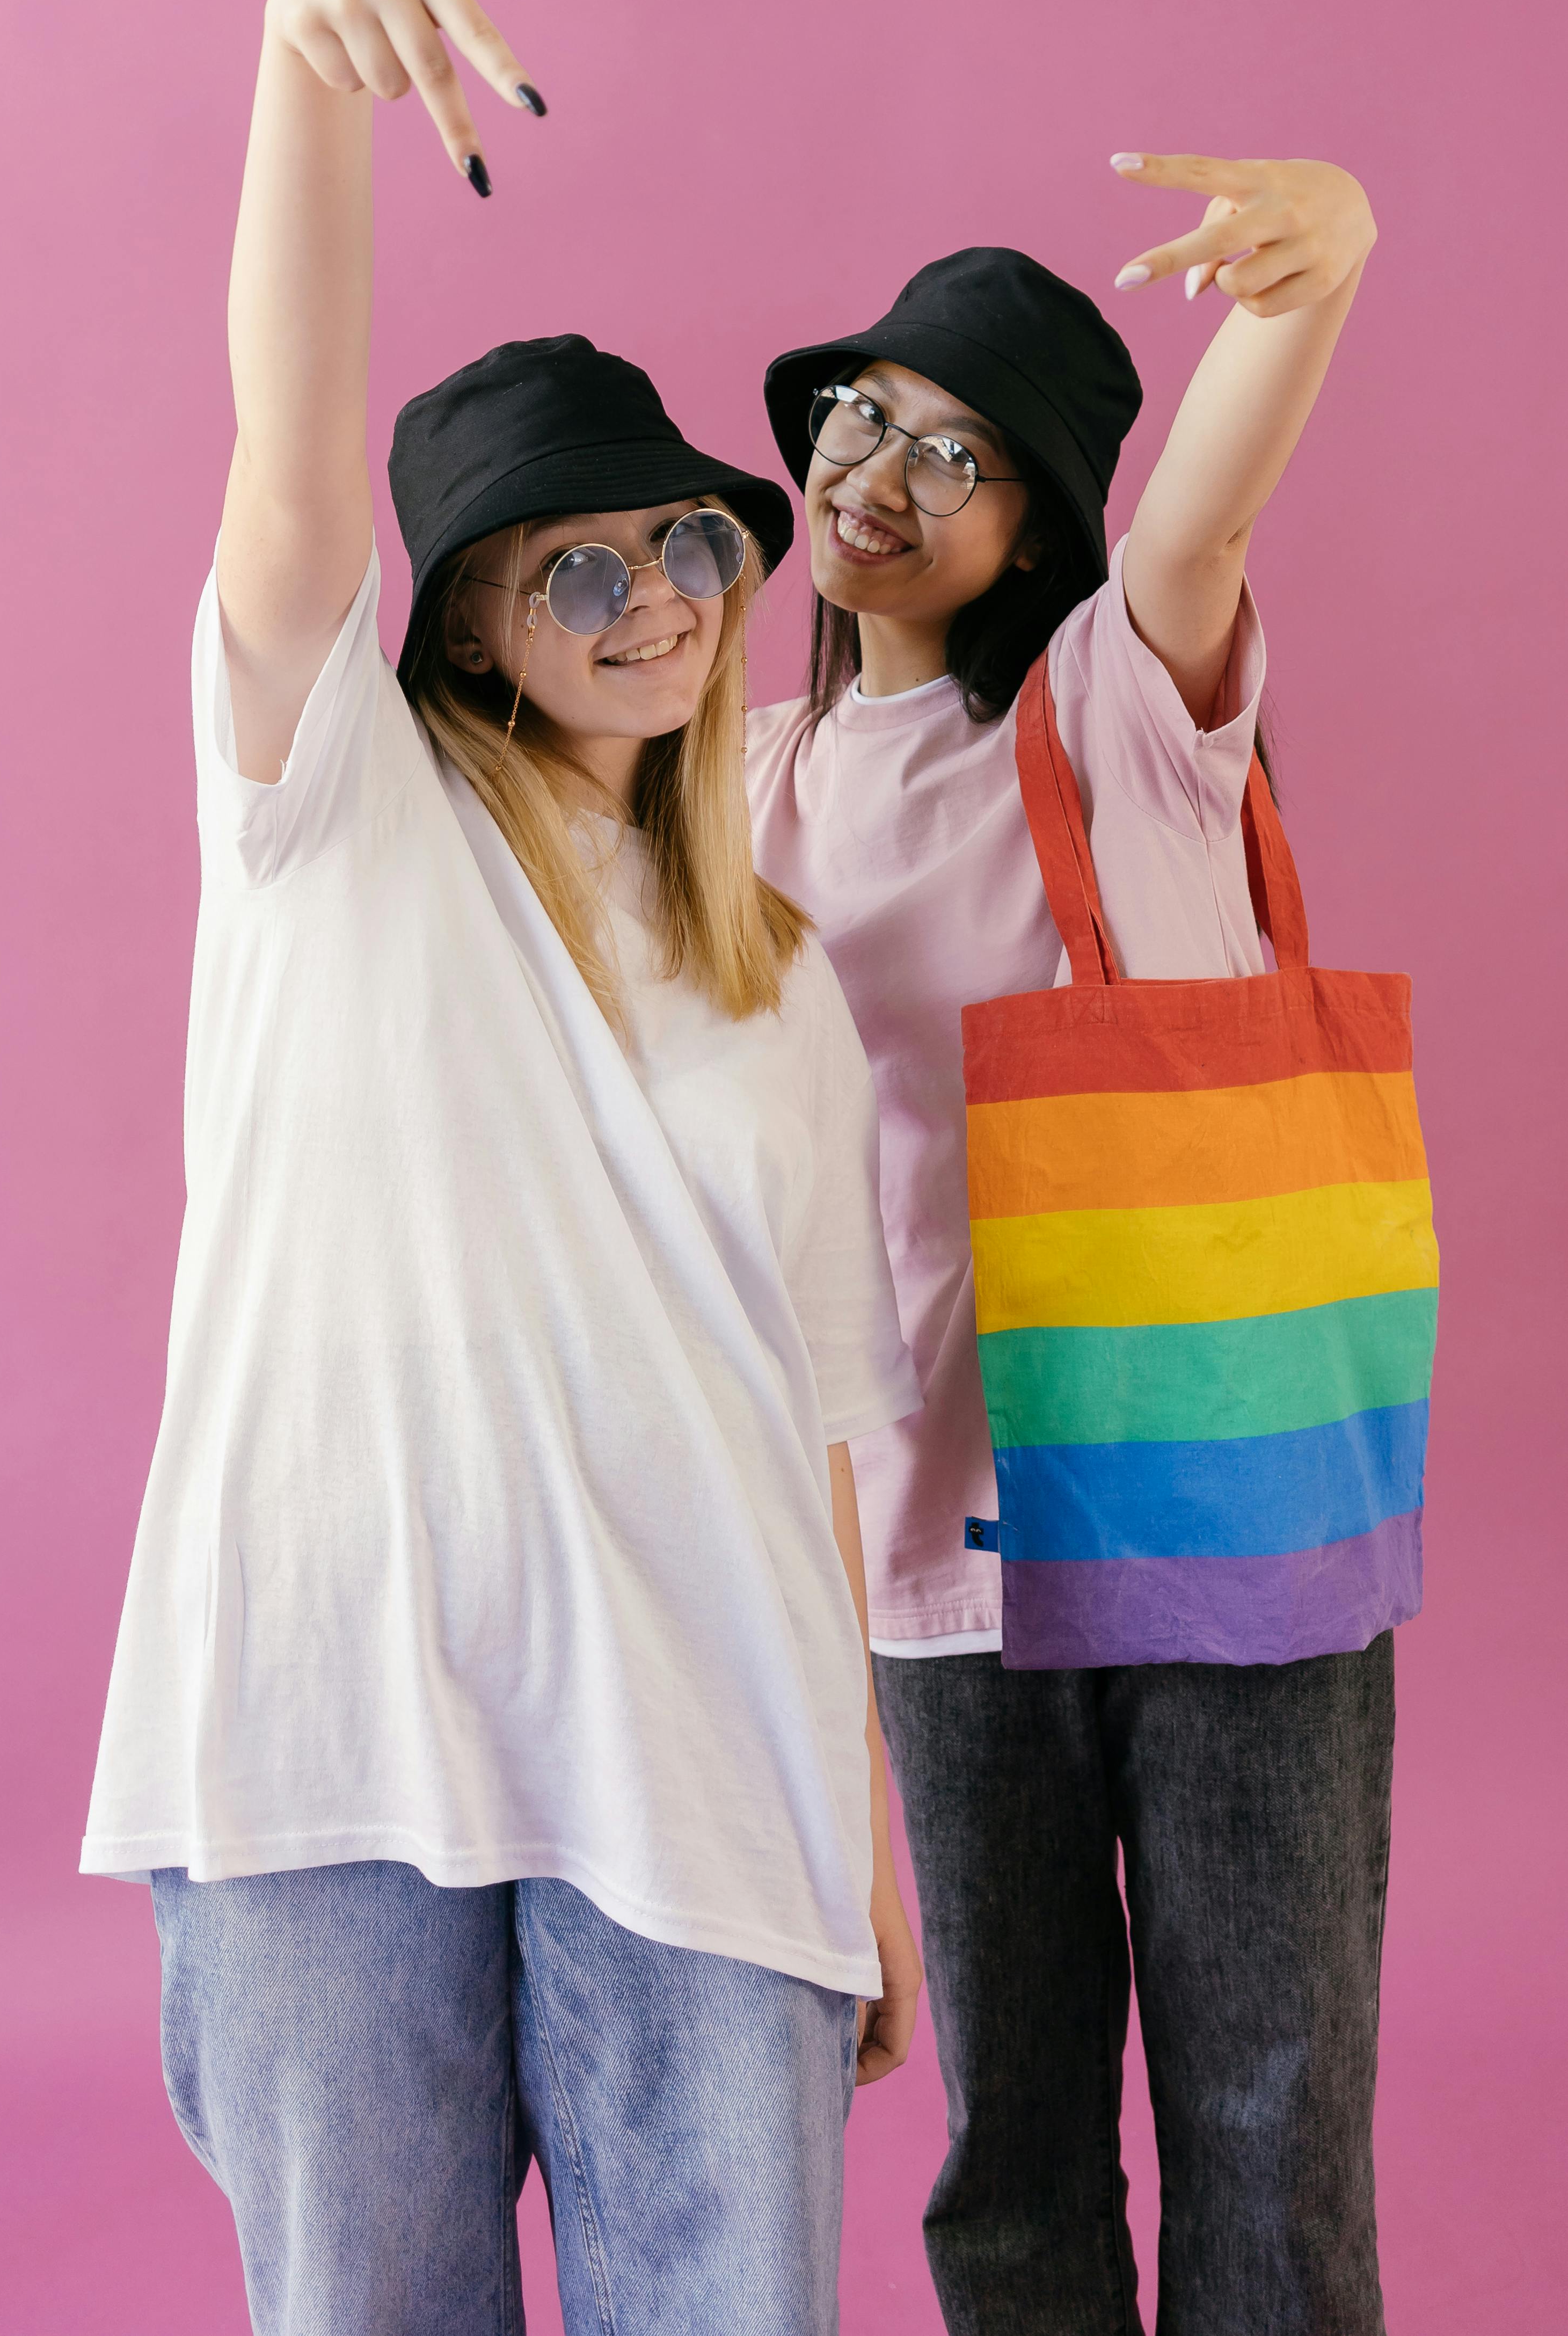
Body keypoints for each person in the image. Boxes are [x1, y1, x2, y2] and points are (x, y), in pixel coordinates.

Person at [81, 0, 923, 2336]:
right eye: (578, 568)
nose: (659, 595)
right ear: (453, 617)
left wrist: (866, 1859)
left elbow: (825, 1437)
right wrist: (302, 79)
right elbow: (285, 473)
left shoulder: (776, 978)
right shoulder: (333, 819)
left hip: (708, 1756)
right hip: (322, 1738)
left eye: (684, 544)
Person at [746, 161, 1403, 2336]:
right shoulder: (733, 789)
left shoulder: (1114, 708)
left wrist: (1306, 282)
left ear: (1034, 531)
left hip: (1220, 1510)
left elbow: (1196, 523)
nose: (883, 471)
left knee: (1264, 2120)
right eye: (864, 413)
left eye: (960, 452)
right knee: (1007, 2154)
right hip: (933, 1562)